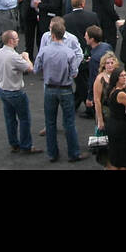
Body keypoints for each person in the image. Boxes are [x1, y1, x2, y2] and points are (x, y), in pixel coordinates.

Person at [35, 17, 83, 163]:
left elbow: (36, 69)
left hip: (49, 89)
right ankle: (73, 153)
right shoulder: (69, 52)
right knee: (69, 122)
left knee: (50, 123)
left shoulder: (44, 51)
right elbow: (74, 73)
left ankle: (52, 154)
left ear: (53, 35)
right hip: (66, 89)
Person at [102, 66, 126, 170]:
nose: (124, 77)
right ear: (116, 78)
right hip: (120, 128)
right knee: (123, 160)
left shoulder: (112, 90)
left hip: (114, 124)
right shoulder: (121, 94)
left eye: (125, 75)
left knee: (116, 156)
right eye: (121, 76)